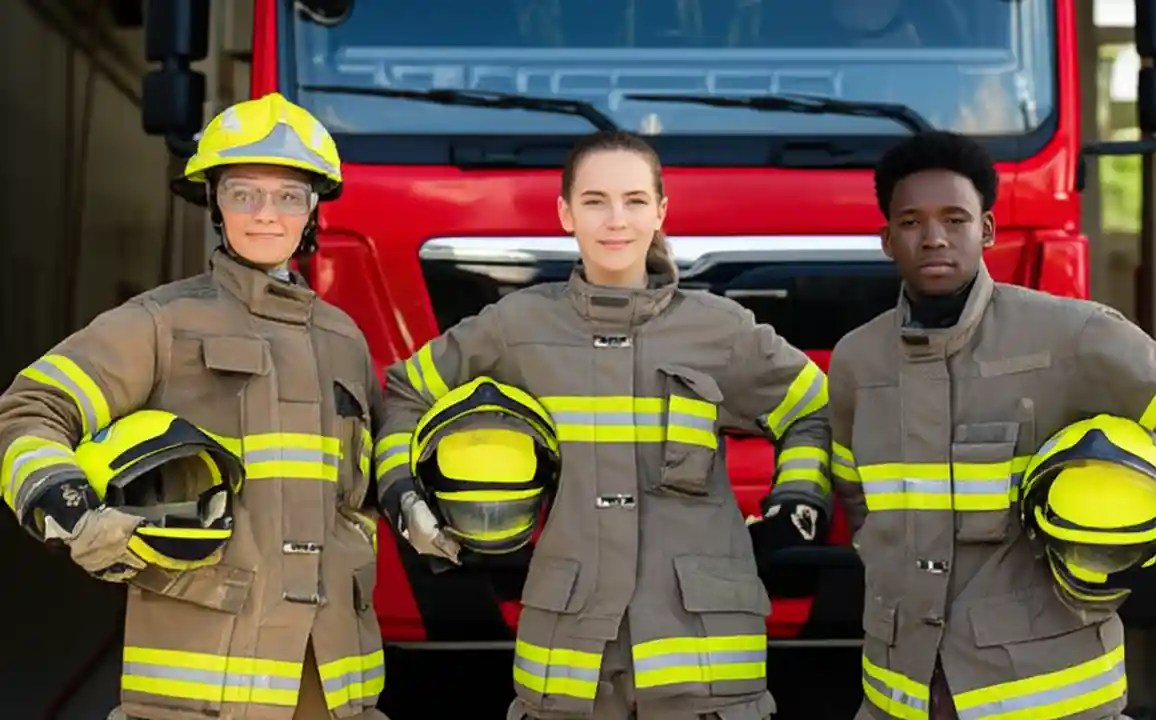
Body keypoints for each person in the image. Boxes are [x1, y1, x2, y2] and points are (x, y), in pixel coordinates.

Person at [373, 130, 832, 720]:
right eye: (595, 201)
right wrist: (405, 495)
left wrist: (796, 502)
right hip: (570, 657)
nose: (616, 220)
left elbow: (812, 408)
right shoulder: (517, 326)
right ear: (565, 213)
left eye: (635, 201)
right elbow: (406, 391)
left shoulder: (723, 331)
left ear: (661, 212)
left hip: (708, 659)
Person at [827, 131, 1156, 720]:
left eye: (955, 218)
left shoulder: (1075, 337)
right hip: (900, 696)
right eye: (910, 222)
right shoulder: (857, 361)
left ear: (989, 231)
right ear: (885, 239)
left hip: (1055, 697)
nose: (934, 237)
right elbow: (860, 498)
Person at [0, 93, 389, 720]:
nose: (266, 214)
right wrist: (72, 513)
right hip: (204, 684)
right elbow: (28, 410)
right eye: (243, 194)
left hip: (336, 685)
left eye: (289, 196)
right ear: (214, 202)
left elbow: (363, 487)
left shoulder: (343, 339)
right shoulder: (160, 324)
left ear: (314, 206)